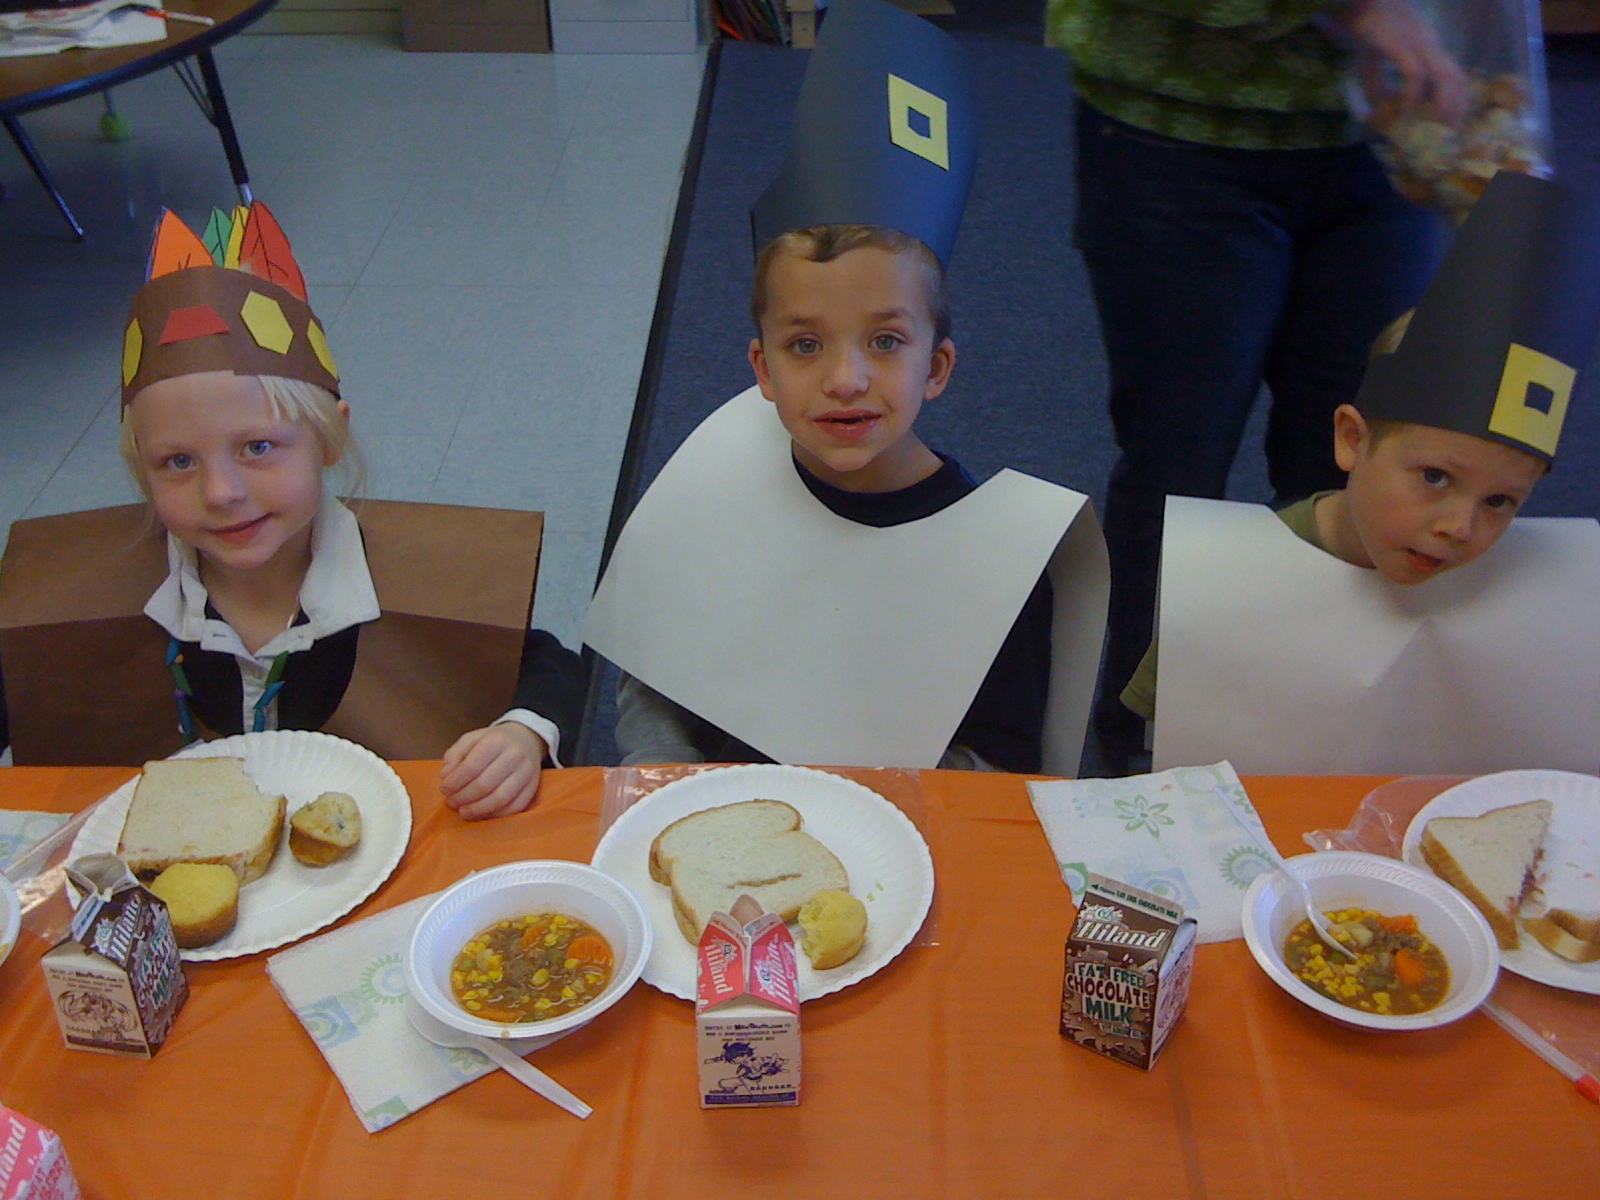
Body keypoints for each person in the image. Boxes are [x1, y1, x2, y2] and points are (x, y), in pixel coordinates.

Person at [584, 0, 1109, 776]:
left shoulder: (994, 558)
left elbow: (1001, 760)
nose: (845, 378)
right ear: (761, 369)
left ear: (937, 368)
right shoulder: (717, 488)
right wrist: (669, 771)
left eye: (887, 340)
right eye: (804, 344)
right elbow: (654, 676)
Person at [0, 203, 581, 818]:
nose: (220, 492)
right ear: (140, 467)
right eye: (177, 462)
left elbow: (549, 668)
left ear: (329, 440)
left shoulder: (431, 578)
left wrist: (520, 735)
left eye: (258, 448)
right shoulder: (68, 596)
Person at [1046, 0, 1462, 771]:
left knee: (1359, 467)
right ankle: (1143, 741)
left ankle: (1317, 726)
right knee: (1178, 460)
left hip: (1380, 125)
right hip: (1178, 123)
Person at [1126, 170, 1600, 774]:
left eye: (1502, 501)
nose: (1461, 526)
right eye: (1434, 476)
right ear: (1352, 439)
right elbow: (1169, 738)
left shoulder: (1534, 590)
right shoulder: (1231, 580)